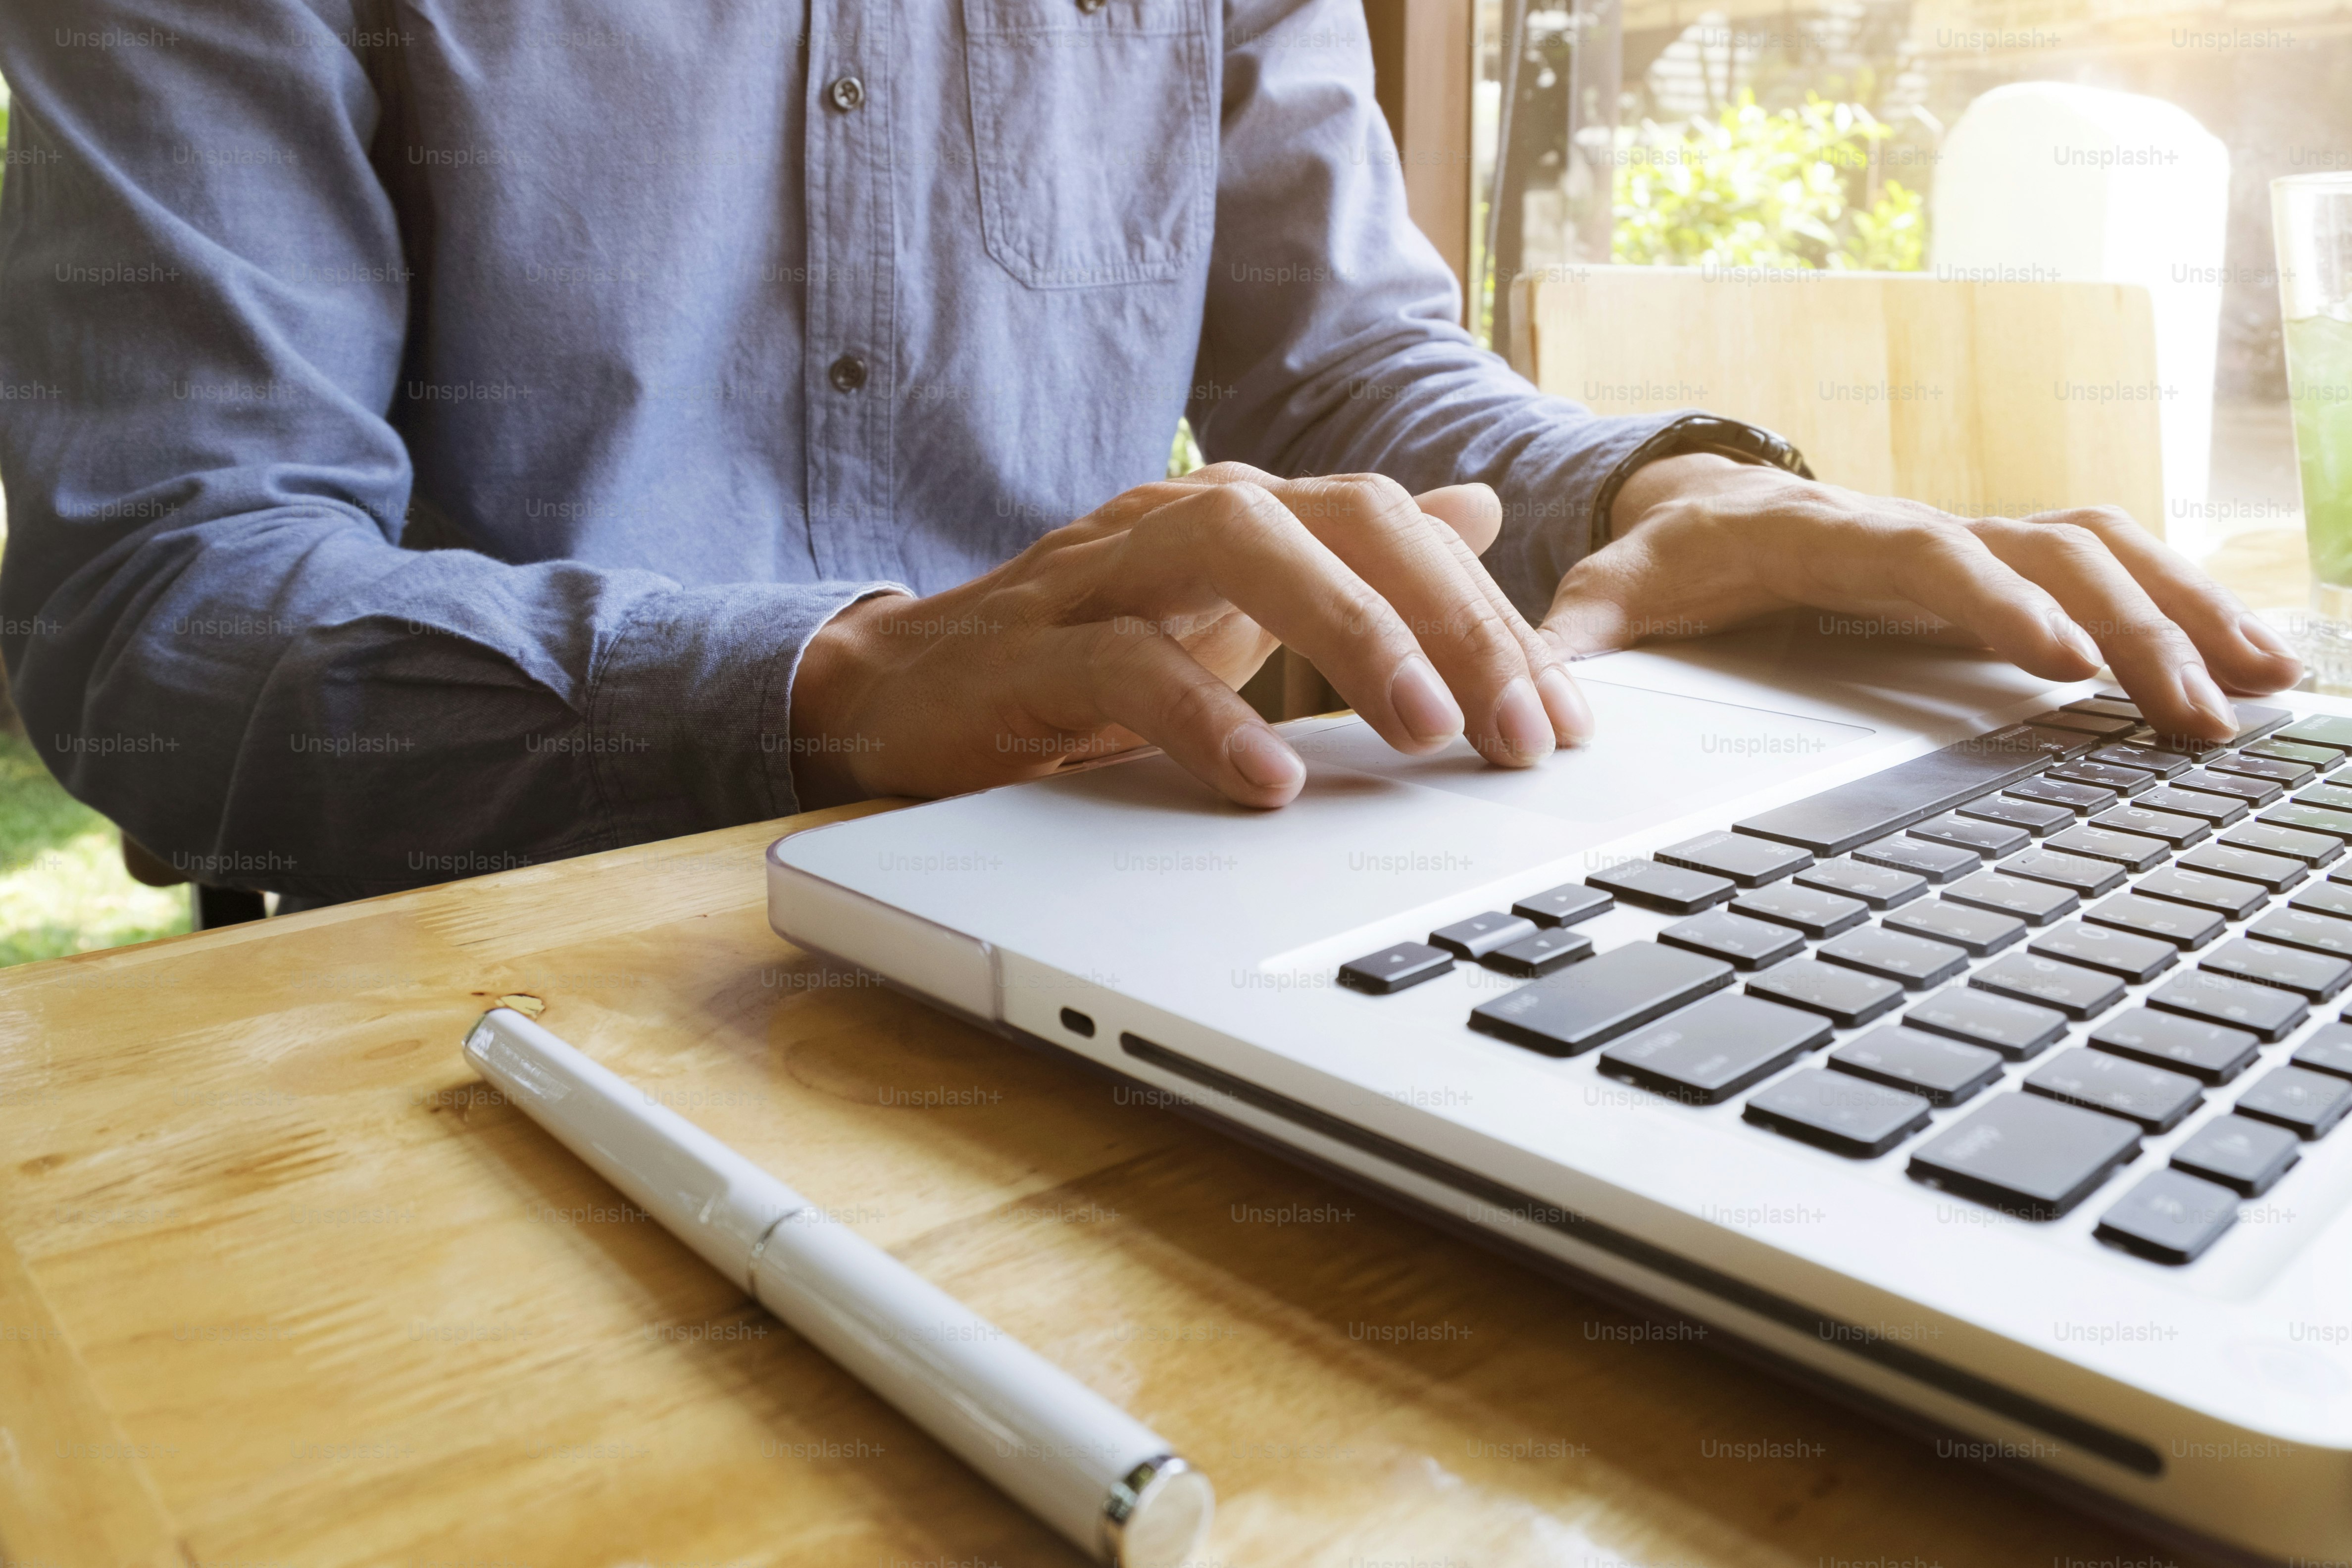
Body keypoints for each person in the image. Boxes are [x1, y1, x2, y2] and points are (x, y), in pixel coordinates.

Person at [0, 0, 2299, 907]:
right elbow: (156, 617)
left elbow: (1367, 378)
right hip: (455, 1007)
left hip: (1115, 918)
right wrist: (842, 674)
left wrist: (1686, 500)